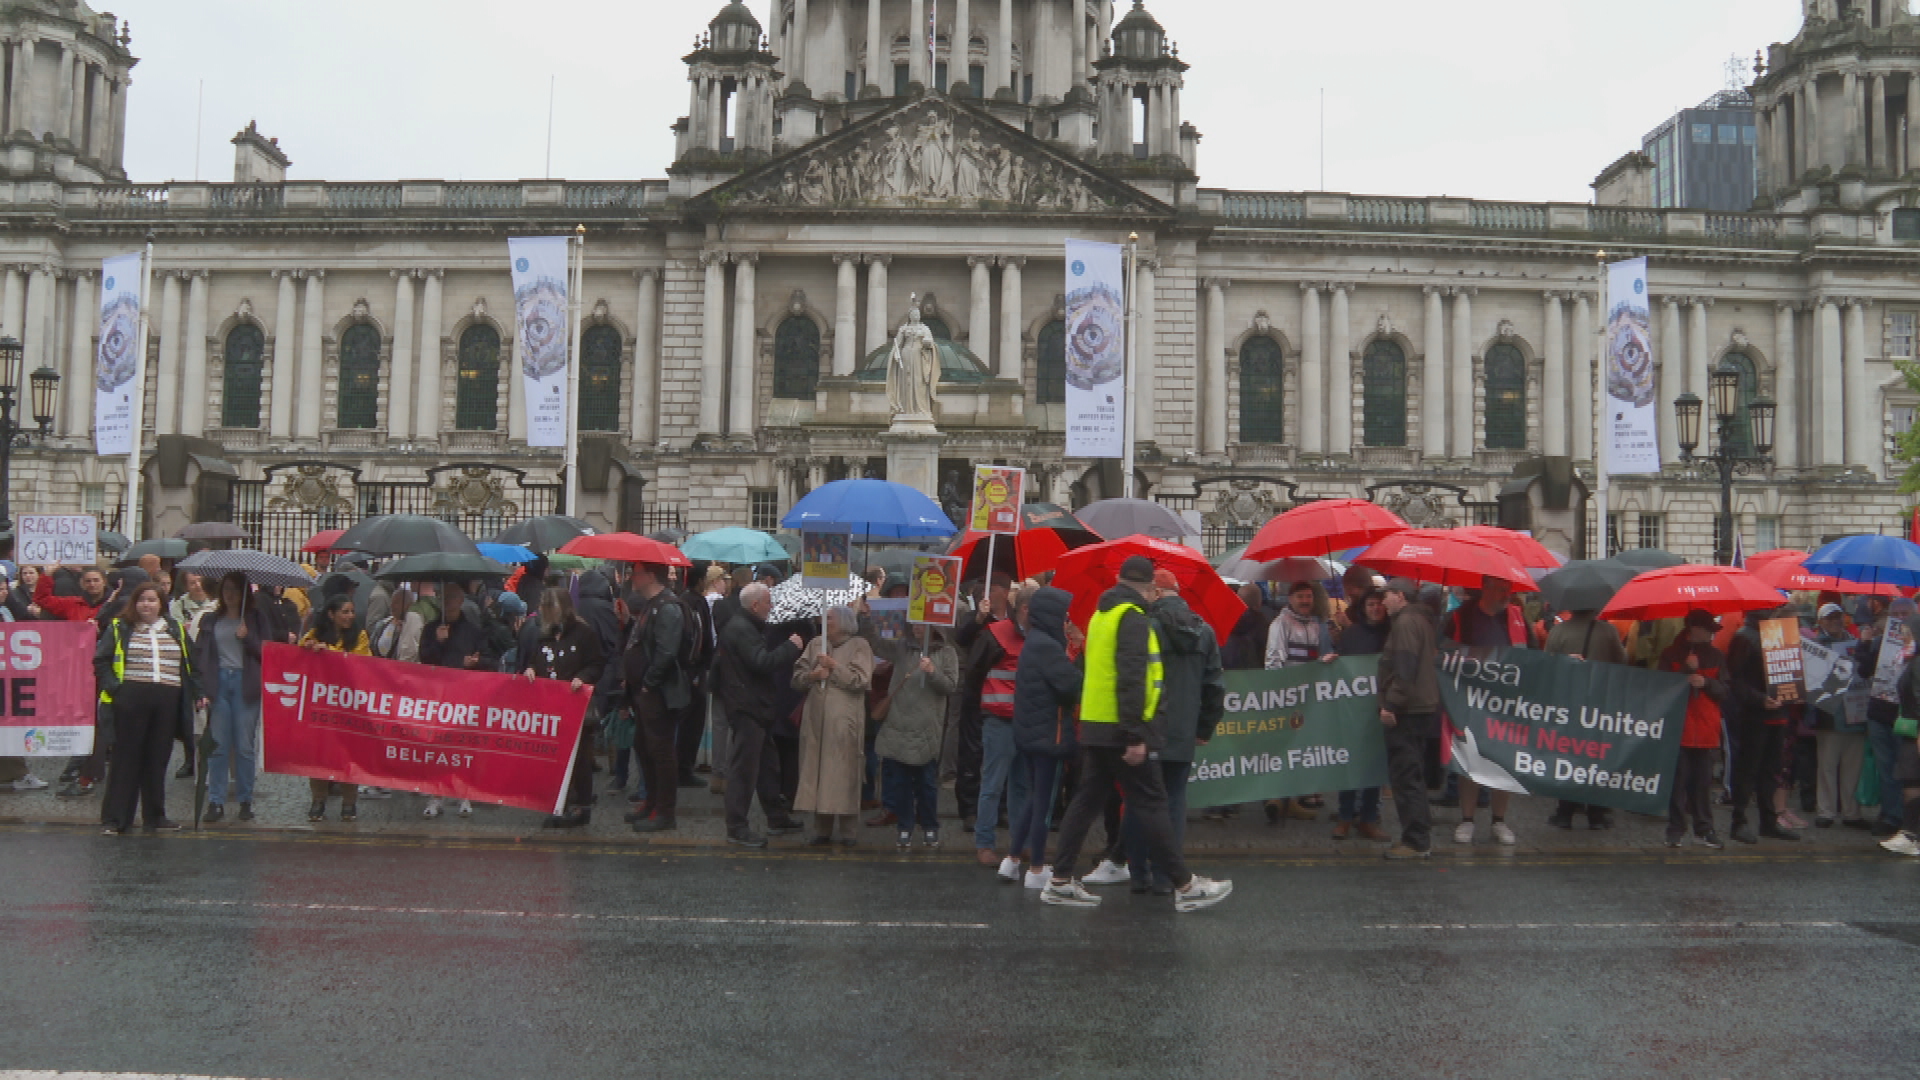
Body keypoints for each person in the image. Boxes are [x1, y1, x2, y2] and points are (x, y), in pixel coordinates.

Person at [1041, 556, 1232, 912]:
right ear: (1148, 588)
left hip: (1098, 726)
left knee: (1086, 803)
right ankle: (1185, 885)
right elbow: (1131, 677)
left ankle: (1060, 880)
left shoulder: (1101, 616)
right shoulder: (1132, 618)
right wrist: (1134, 734)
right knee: (1154, 803)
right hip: (1122, 729)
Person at [1129, 571, 1225, 894]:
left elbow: (1134, 680)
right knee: (1173, 801)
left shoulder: (1145, 628)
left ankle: (1138, 871)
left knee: (1141, 800)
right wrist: (1204, 727)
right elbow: (1214, 686)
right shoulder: (1205, 631)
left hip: (1148, 728)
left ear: (1156, 592)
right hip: (1184, 732)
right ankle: (1166, 876)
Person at [95, 581, 199, 834]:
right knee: (126, 759)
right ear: (134, 603)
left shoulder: (175, 629)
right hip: (131, 697)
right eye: (142, 599)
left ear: (162, 604)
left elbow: (192, 665)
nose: (147, 604)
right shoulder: (120, 627)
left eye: (152, 600)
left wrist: (199, 693)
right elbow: (101, 660)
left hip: (167, 699)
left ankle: (155, 816)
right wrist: (115, 690)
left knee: (157, 758)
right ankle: (116, 818)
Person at [713, 582, 805, 847]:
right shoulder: (742, 628)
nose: (771, 607)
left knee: (767, 766)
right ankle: (737, 827)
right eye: (767, 602)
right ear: (755, 605)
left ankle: (776, 816)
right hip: (747, 707)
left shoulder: (746, 625)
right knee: (744, 769)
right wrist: (790, 647)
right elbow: (762, 662)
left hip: (756, 706)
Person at [1441, 576, 1532, 846]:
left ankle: (1499, 821)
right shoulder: (1461, 616)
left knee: (1504, 763)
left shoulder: (1517, 616)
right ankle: (1467, 819)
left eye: (1509, 590)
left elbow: (1535, 656)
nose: (1507, 595)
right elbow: (1443, 650)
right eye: (1502, 590)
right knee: (1470, 760)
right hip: (1470, 700)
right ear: (1486, 589)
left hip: (1507, 703)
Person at [1009, 586, 1084, 887]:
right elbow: (1070, 687)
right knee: (1043, 804)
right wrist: (1078, 651)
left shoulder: (1036, 642)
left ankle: (1013, 859)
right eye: (1065, 617)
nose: (1068, 622)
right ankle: (1037, 868)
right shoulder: (1048, 647)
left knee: (1033, 798)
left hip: (1031, 732)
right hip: (1047, 735)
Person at [1542, 601, 1631, 830]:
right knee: (1596, 756)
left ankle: (1565, 811)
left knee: (1570, 754)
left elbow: (1546, 666)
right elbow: (1622, 661)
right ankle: (1597, 814)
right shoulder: (1608, 631)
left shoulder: (1558, 631)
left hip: (1569, 703)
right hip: (1599, 703)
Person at [792, 604, 874, 846]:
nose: (824, 621)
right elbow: (796, 678)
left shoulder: (860, 645)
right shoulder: (816, 643)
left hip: (844, 720)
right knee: (818, 770)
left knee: (844, 770)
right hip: (816, 719)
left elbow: (861, 680)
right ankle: (822, 829)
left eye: (830, 618)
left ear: (844, 622)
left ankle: (848, 830)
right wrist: (814, 675)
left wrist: (834, 668)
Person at [523, 587, 605, 828]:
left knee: (579, 758)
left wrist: (583, 677)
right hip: (552, 707)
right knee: (556, 756)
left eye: (550, 608)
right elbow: (535, 659)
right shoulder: (544, 635)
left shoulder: (584, 634)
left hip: (576, 705)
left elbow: (597, 664)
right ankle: (561, 802)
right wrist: (530, 670)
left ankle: (581, 805)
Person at [195, 573, 272, 824]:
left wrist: (248, 637)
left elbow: (268, 653)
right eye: (226, 589)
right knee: (218, 745)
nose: (229, 595)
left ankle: (245, 800)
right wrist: (202, 689)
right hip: (219, 683)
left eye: (235, 590)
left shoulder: (256, 618)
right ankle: (215, 801)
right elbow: (202, 654)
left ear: (244, 594)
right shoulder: (211, 619)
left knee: (244, 745)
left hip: (244, 683)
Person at [874, 624, 958, 851]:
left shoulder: (946, 652)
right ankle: (905, 826)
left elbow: (950, 685)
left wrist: (933, 672)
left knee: (926, 784)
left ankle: (930, 826)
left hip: (927, 728)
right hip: (900, 724)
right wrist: (863, 618)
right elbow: (877, 644)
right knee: (901, 783)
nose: (916, 628)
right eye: (914, 623)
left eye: (922, 624)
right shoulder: (903, 648)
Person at [623, 561, 690, 833]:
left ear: (650, 575)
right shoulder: (651, 606)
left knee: (661, 752)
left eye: (636, 573)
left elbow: (666, 651)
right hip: (645, 691)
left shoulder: (668, 608)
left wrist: (649, 683)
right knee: (644, 747)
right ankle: (651, 802)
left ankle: (665, 811)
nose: (632, 578)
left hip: (659, 693)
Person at [1725, 607, 1800, 844]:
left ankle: (1768, 822)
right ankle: (1739, 821)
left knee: (1770, 770)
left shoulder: (1780, 634)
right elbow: (1734, 679)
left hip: (1777, 714)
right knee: (1748, 770)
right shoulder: (1744, 636)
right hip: (1753, 715)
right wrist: (1759, 699)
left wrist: (1795, 689)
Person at [1263, 579, 1335, 825]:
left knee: (1300, 748)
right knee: (1283, 748)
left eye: (1309, 596)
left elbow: (1314, 660)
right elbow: (1273, 662)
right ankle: (1276, 797)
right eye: (1300, 596)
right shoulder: (1280, 624)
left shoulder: (1316, 626)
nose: (1305, 601)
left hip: (1308, 698)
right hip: (1288, 697)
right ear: (1290, 599)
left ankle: (1290, 799)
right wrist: (1282, 694)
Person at [1378, 577, 1441, 859]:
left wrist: (1391, 704)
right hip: (1422, 706)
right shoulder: (1421, 620)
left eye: (1386, 595)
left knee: (1406, 775)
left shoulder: (1405, 624)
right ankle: (1419, 835)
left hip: (1408, 710)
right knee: (1413, 773)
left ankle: (1416, 840)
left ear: (1400, 596)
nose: (1382, 601)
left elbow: (1404, 669)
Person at [973, 585, 1032, 875]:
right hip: (999, 720)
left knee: (1020, 786)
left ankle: (1018, 842)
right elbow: (975, 674)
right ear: (1025, 609)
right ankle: (984, 843)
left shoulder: (1033, 635)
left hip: (1024, 722)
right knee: (994, 785)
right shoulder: (995, 634)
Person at [297, 593, 371, 822]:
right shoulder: (316, 634)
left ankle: (349, 803)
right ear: (331, 614)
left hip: (348, 705)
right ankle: (318, 800)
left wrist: (331, 653)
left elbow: (361, 663)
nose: (350, 616)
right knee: (318, 754)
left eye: (351, 611)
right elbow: (297, 653)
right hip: (322, 704)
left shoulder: (360, 636)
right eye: (344, 612)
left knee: (348, 755)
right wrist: (307, 647)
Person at [1658, 610, 1727, 848]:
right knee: (1677, 783)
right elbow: (1660, 688)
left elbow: (1726, 690)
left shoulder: (1717, 656)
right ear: (1694, 630)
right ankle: (1676, 829)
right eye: (1708, 630)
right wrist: (1685, 672)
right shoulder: (1671, 654)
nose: (1710, 635)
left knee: (1702, 784)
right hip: (1680, 727)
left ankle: (1703, 829)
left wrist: (1706, 682)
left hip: (1706, 730)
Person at [1329, 579, 1391, 841]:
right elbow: (1344, 663)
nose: (1375, 608)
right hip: (1354, 708)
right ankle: (1345, 816)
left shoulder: (1392, 632)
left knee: (1373, 766)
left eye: (1379, 604)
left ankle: (1367, 817)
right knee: (1350, 764)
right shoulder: (1352, 634)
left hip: (1381, 708)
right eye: (1371, 604)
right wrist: (1334, 658)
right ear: (1363, 607)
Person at [953, 572, 1012, 839]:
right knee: (971, 752)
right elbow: (962, 638)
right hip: (977, 695)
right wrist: (979, 618)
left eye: (990, 588)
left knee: (1001, 754)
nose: (982, 593)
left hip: (1005, 699)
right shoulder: (976, 616)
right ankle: (969, 808)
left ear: (1003, 591)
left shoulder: (1013, 620)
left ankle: (1000, 807)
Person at [1855, 599, 1915, 841]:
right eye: (1896, 613)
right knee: (1886, 769)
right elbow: (1864, 670)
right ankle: (1891, 816)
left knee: (1908, 772)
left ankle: (1909, 820)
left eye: (1905, 613)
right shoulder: (1881, 640)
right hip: (1880, 712)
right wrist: (1865, 642)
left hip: (1907, 716)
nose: (1900, 617)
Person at [1806, 603, 1869, 829]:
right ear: (1820, 621)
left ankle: (1852, 813)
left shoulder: (1857, 642)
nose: (1834, 621)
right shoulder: (1814, 645)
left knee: (1853, 767)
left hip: (1856, 715)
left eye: (1838, 617)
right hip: (1829, 715)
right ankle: (1826, 812)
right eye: (1829, 618)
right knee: (1827, 767)